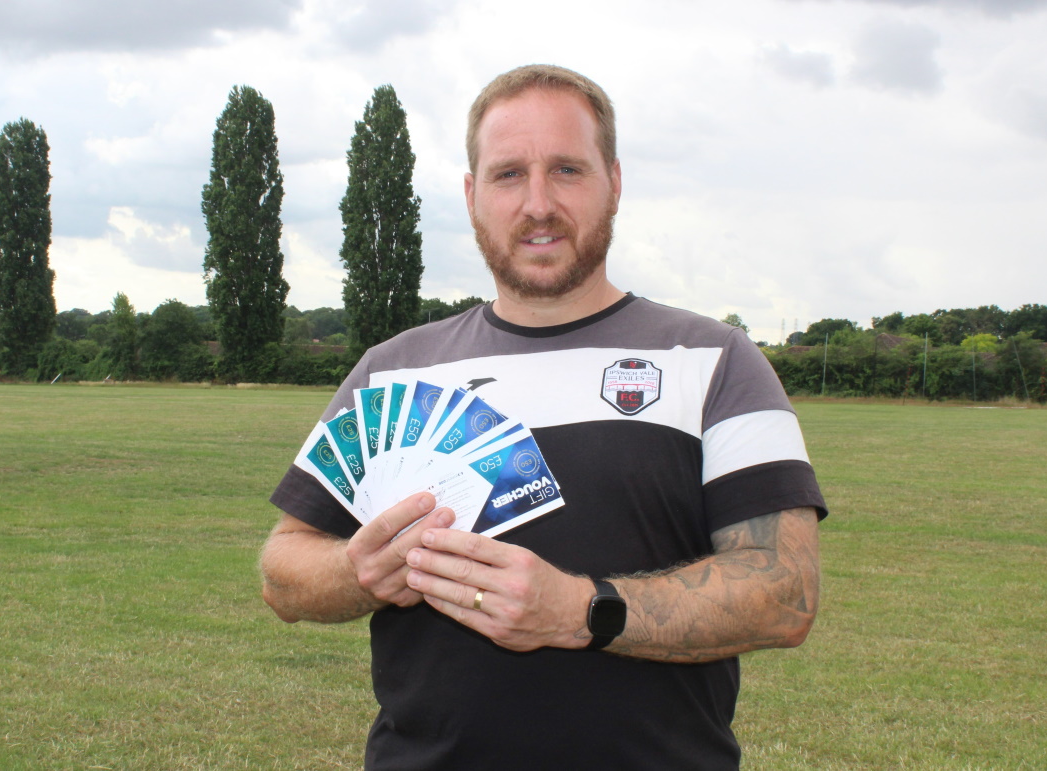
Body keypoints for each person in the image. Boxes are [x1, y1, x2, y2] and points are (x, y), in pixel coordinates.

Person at [262, 64, 827, 770]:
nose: (537, 203)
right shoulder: (393, 370)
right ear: (471, 196)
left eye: (566, 169)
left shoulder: (717, 361)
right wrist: (357, 570)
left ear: (613, 182)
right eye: (507, 175)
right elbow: (282, 569)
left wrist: (584, 610)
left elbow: (786, 591)